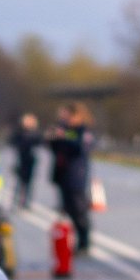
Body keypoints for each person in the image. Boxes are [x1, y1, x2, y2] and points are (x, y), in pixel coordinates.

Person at [47, 103, 94, 251]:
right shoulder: (64, 129)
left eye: (67, 115)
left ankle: (84, 241)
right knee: (67, 209)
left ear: (76, 116)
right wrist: (53, 137)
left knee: (78, 209)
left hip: (75, 176)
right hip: (63, 175)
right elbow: (53, 148)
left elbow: (80, 147)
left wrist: (63, 136)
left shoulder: (82, 131)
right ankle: (75, 241)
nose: (64, 118)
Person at [10, 112, 42, 208]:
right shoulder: (19, 132)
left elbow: (40, 143)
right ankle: (15, 201)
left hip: (30, 161)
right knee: (18, 183)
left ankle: (26, 202)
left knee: (28, 184)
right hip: (20, 161)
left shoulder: (35, 133)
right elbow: (12, 142)